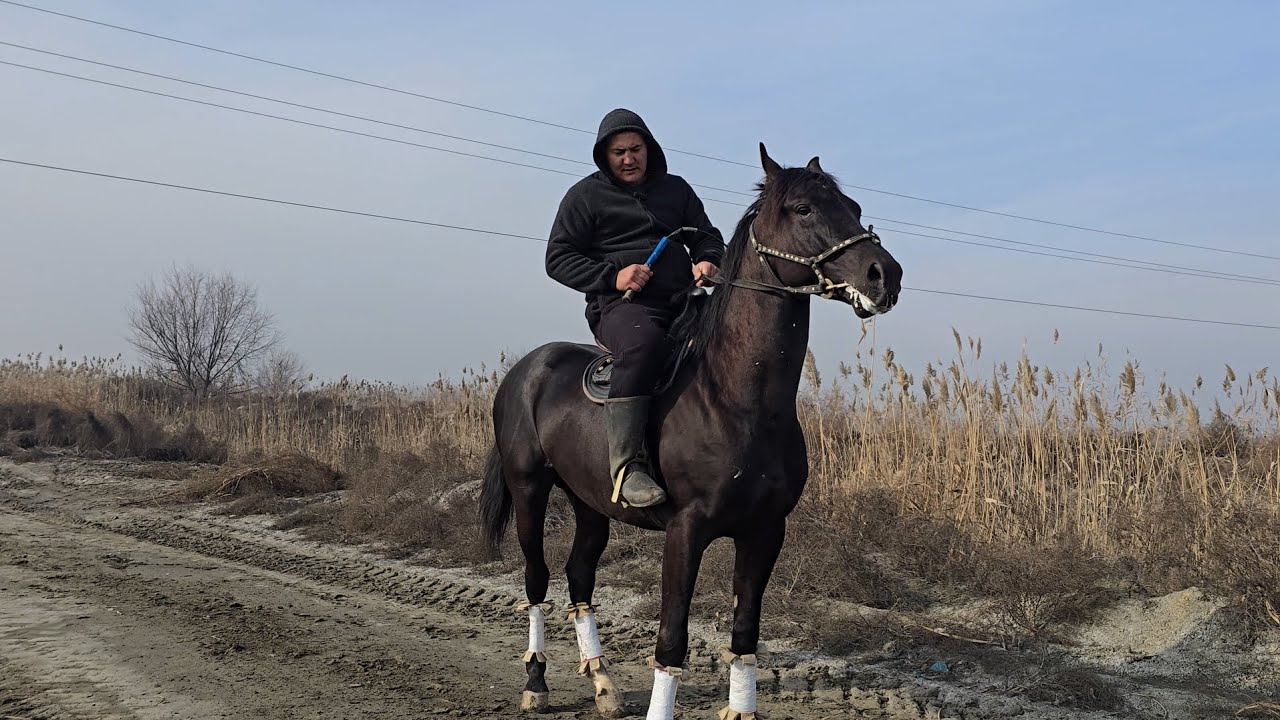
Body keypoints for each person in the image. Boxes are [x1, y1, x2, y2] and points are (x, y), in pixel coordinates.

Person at [545, 108, 725, 507]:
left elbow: (708, 237)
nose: (629, 159)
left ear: (649, 149)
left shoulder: (676, 190)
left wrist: (710, 261)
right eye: (619, 152)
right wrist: (614, 277)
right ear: (604, 156)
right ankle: (627, 468)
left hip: (685, 300)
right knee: (644, 345)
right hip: (621, 307)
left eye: (636, 149)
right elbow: (557, 259)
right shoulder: (584, 196)